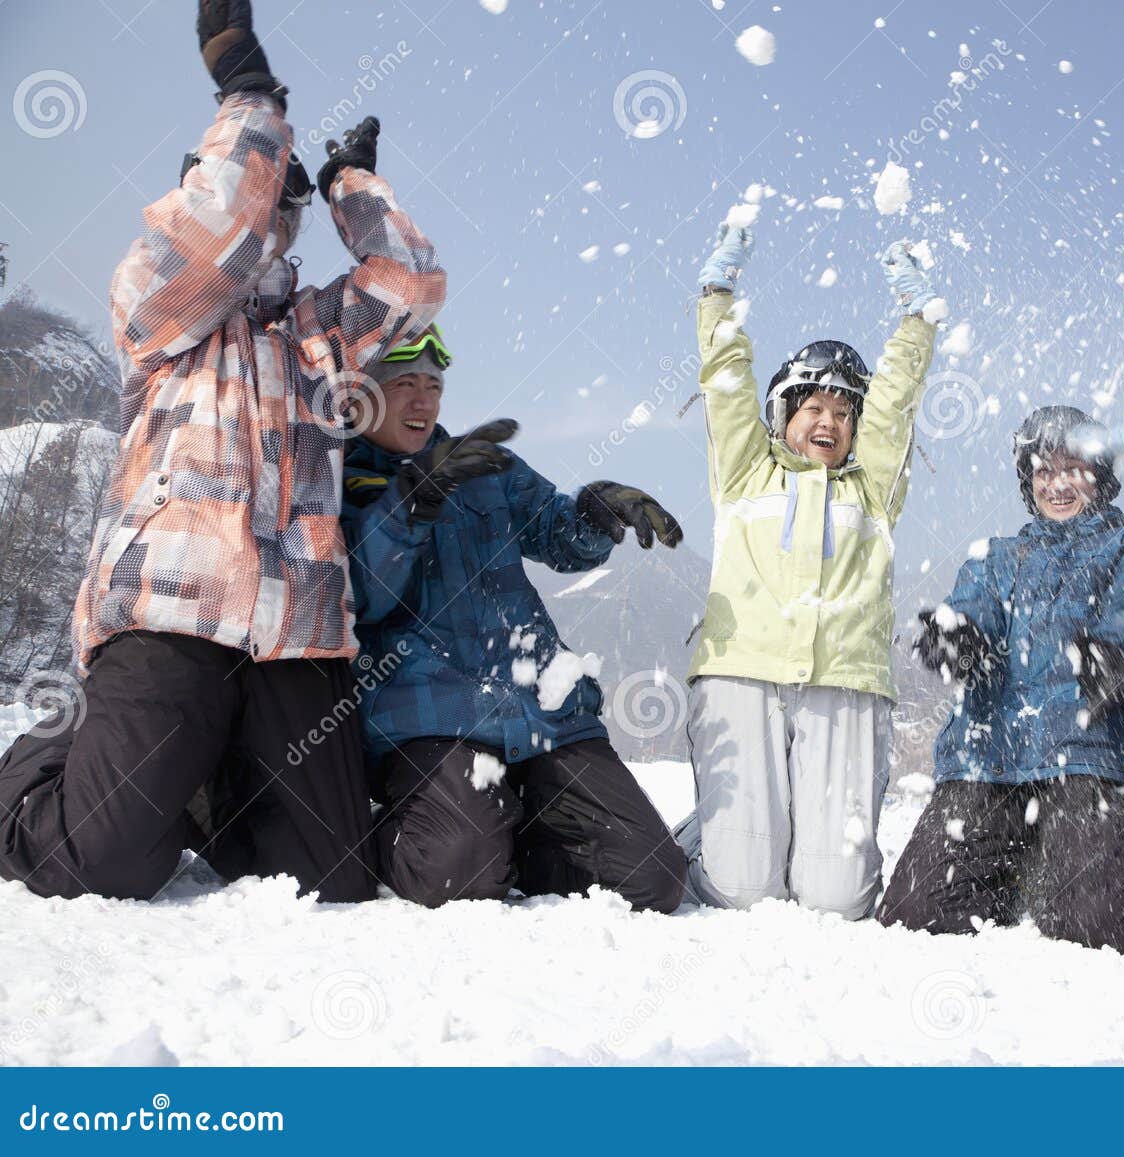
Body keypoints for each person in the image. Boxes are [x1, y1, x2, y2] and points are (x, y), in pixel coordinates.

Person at [0, 0, 444, 903]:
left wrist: (351, 184)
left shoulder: (315, 336)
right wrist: (249, 95)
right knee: (104, 860)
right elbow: (217, 233)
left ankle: (199, 781)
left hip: (295, 634)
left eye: (284, 205)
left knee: (332, 879)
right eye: (254, 196)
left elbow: (410, 284)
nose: (267, 218)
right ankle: (56, 751)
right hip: (171, 610)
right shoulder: (158, 303)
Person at [340, 327, 689, 910]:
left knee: (651, 878)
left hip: (541, 706)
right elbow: (363, 595)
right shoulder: (340, 477)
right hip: (430, 716)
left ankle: (504, 842)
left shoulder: (480, 466)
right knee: (454, 877)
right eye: (404, 385)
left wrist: (595, 513)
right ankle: (401, 835)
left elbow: (558, 536)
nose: (424, 401)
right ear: (360, 395)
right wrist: (409, 504)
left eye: (433, 385)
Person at [672, 226, 940, 919]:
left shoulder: (871, 491)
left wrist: (916, 324)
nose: (831, 421)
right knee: (740, 889)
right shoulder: (744, 473)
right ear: (785, 414)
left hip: (844, 684)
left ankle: (788, 844)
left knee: (838, 899)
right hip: (741, 674)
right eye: (815, 406)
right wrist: (716, 297)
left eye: (845, 411)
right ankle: (712, 836)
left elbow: (896, 409)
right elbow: (725, 386)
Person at [878, 406, 1124, 951]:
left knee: (1097, 927)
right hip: (989, 763)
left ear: (1101, 474)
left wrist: (1116, 652)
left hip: (1088, 757)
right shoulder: (998, 558)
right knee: (913, 911)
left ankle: (1113, 884)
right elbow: (973, 606)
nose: (1056, 484)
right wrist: (960, 637)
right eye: (1042, 472)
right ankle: (1018, 871)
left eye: (1072, 468)